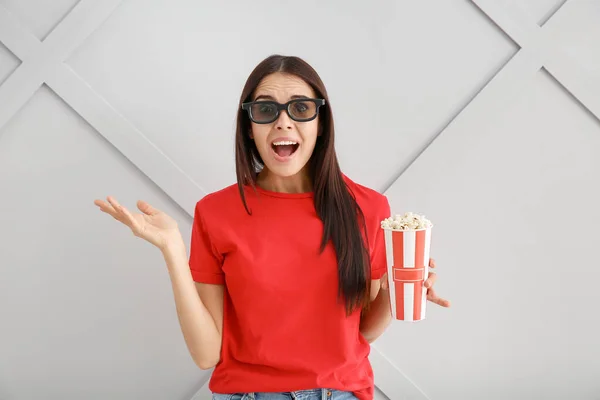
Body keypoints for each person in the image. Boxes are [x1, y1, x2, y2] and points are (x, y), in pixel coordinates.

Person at [94, 54, 450, 400]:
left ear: (320, 123)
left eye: (301, 108)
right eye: (266, 110)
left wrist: (395, 288)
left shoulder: (368, 207)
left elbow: (364, 332)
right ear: (249, 128)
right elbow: (206, 354)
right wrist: (171, 248)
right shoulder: (215, 213)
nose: (283, 122)